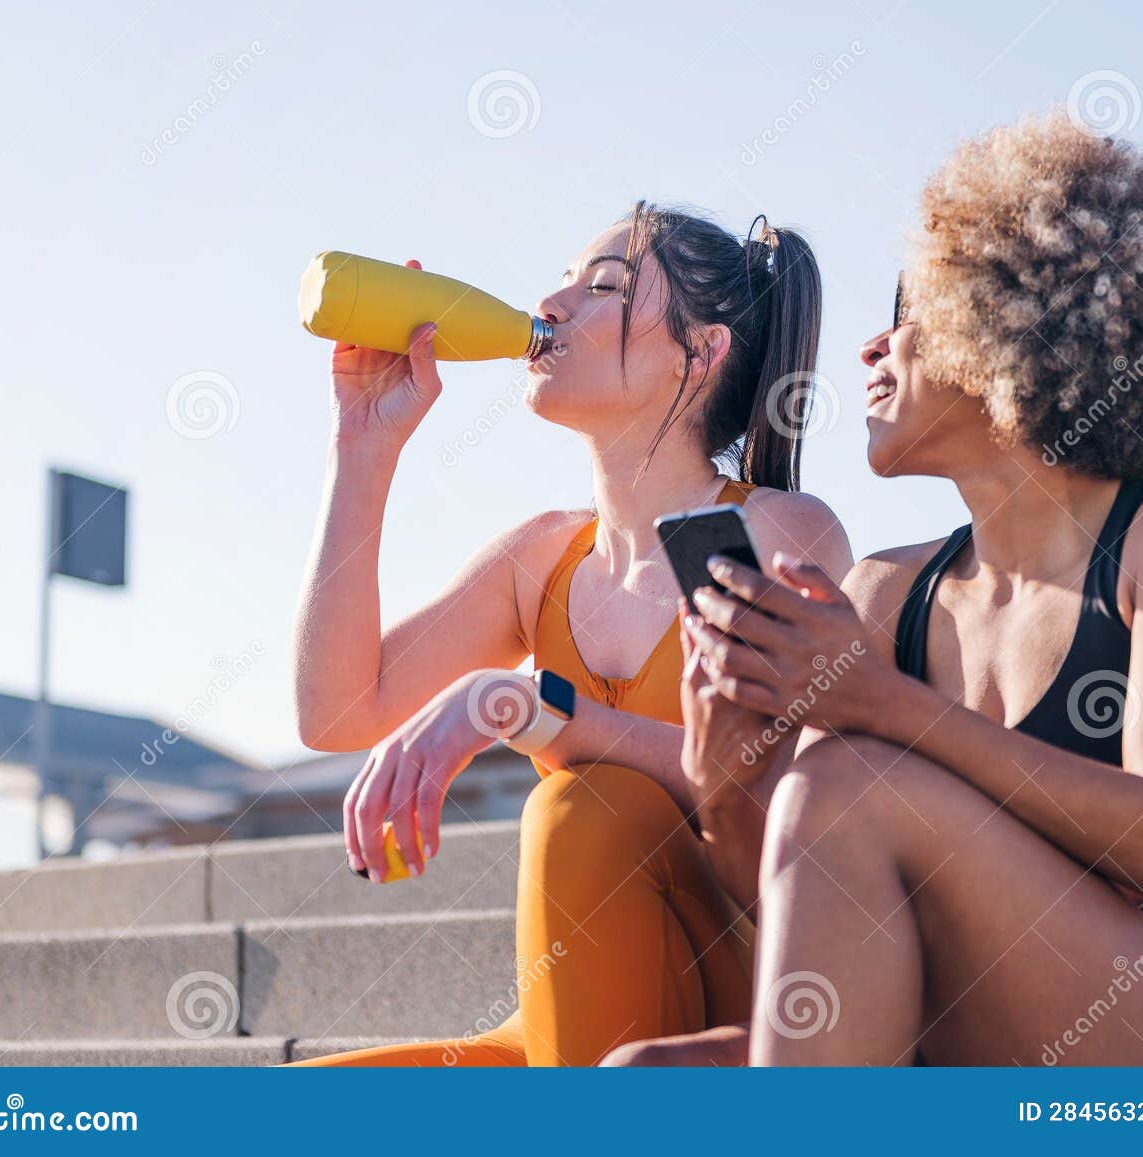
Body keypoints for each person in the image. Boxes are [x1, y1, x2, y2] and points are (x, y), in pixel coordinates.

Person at [659, 112, 1143, 1066]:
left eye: (909, 306)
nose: (872, 346)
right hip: (977, 1030)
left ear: (1012, 321)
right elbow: (817, 922)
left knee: (849, 779)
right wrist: (722, 775)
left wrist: (882, 704)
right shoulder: (887, 591)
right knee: (647, 1077)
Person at [287, 203, 852, 1066]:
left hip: (726, 1021)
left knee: (580, 808)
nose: (550, 304)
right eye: (562, 281)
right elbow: (336, 710)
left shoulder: (764, 530)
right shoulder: (543, 555)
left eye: (605, 287)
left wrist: (532, 708)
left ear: (700, 352)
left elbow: (771, 786)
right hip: (562, 1030)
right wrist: (363, 447)